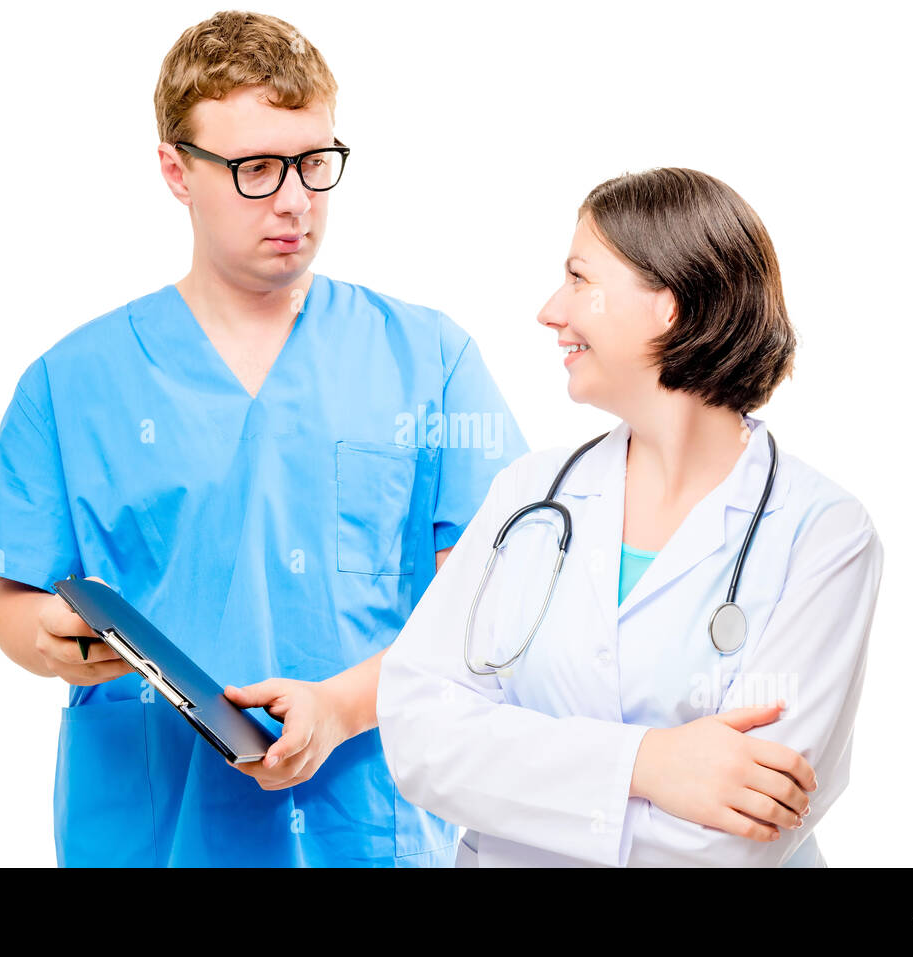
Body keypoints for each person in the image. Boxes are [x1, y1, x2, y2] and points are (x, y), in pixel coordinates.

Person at [0, 10, 526, 867]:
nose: (295, 200)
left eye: (315, 163)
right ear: (176, 171)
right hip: (149, 832)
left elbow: (494, 614)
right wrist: (51, 636)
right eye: (256, 168)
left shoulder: (429, 360)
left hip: (365, 829)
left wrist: (338, 708)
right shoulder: (72, 382)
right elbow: (14, 604)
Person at [376, 167, 884, 867]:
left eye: (580, 279)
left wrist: (519, 786)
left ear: (667, 305)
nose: (551, 310)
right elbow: (418, 735)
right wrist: (649, 764)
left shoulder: (825, 532)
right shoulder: (530, 494)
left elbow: (743, 829)